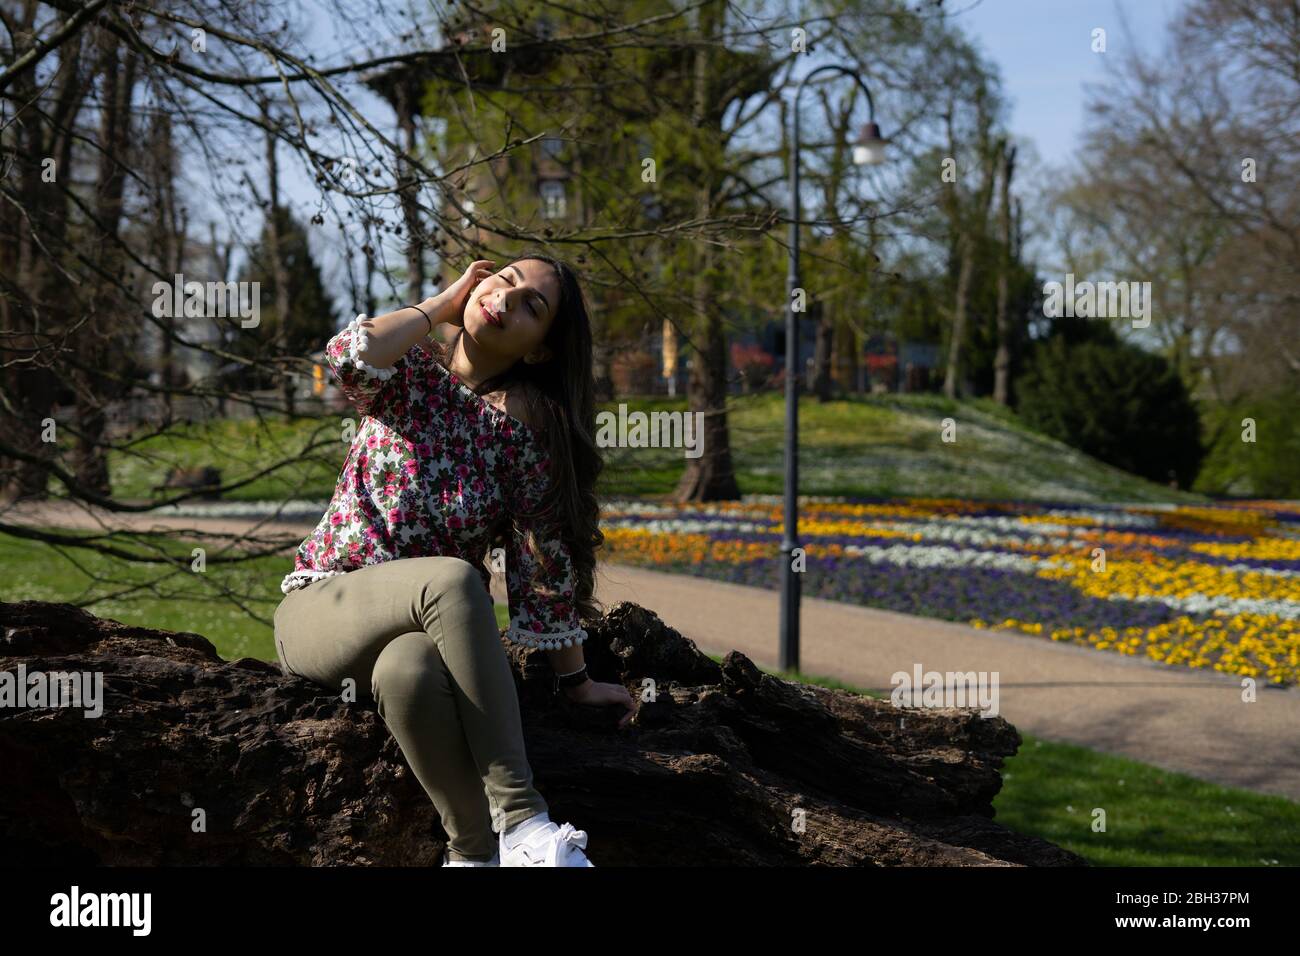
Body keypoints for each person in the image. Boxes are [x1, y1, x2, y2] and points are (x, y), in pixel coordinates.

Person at [273, 252, 636, 867]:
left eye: (532, 306)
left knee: (407, 670)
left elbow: (542, 563)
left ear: (541, 350)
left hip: (415, 639)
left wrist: (577, 682)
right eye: (505, 281)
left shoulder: (524, 433)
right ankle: (525, 822)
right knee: (453, 578)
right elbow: (345, 354)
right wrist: (440, 305)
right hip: (322, 610)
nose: (507, 299)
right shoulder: (410, 372)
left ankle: (473, 854)